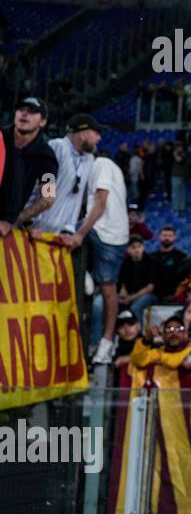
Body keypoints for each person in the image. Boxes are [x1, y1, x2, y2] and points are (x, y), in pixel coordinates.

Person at [71, 154, 130, 364]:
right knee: (106, 292)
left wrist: (80, 234)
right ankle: (85, 274)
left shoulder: (100, 164)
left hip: (105, 232)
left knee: (63, 233)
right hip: (112, 233)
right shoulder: (103, 168)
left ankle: (106, 340)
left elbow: (101, 201)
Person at [0, 97, 58, 235]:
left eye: (32, 111)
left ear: (42, 122)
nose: (24, 114)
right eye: (21, 109)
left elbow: (48, 197)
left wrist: (15, 220)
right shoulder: (1, 137)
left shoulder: (46, 155)